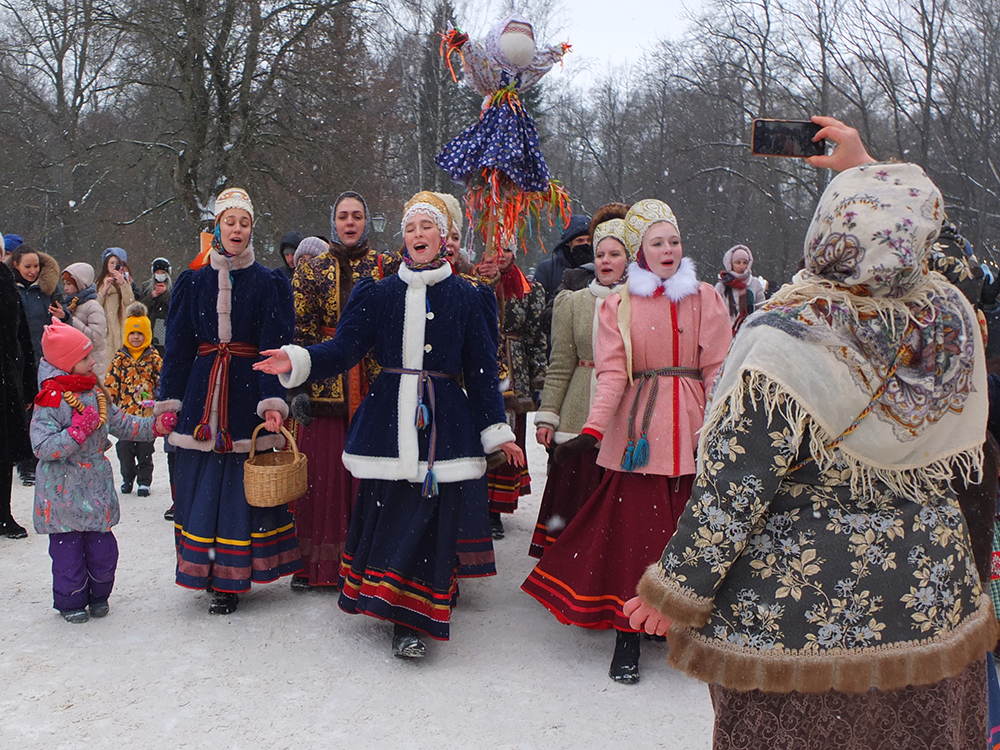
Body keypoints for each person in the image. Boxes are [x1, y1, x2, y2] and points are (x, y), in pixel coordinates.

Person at [627, 139, 995, 748]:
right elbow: (947, 249)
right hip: (930, 596)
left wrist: (679, 586)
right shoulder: (948, 318)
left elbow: (736, 484)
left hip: (798, 611)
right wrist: (869, 164)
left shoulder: (787, 336)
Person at [255, 190, 524, 658]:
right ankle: (392, 604)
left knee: (430, 516)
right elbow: (344, 348)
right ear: (403, 237)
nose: (418, 235)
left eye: (428, 227)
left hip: (443, 423)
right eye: (412, 227)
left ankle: (414, 619)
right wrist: (297, 360)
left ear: (444, 237)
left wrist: (497, 432)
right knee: (389, 510)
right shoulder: (378, 293)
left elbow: (481, 374)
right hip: (388, 419)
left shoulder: (470, 296)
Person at [521, 198, 732, 684]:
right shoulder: (620, 304)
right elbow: (612, 375)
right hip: (638, 432)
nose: (668, 249)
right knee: (634, 539)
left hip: (690, 429)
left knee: (685, 533)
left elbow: (719, 365)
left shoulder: (704, 297)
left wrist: (716, 421)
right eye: (657, 242)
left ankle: (682, 624)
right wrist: (591, 430)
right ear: (640, 251)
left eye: (674, 241)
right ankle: (627, 633)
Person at [156, 187, 301, 615]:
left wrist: (273, 402)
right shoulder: (193, 281)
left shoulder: (269, 283)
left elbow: (276, 345)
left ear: (252, 228)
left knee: (240, 487)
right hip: (202, 396)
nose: (236, 229)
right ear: (216, 226)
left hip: (244, 392)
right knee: (202, 485)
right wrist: (170, 402)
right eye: (229, 221)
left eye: (244, 222)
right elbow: (179, 347)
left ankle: (231, 582)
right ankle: (203, 570)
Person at [286, 191, 397, 592]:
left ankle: (368, 558)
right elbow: (300, 331)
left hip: (375, 379)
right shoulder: (311, 270)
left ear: (367, 221)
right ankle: (318, 564)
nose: (350, 223)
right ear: (333, 222)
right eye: (343, 217)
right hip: (325, 380)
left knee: (372, 473)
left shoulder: (388, 267)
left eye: (357, 216)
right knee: (324, 473)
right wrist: (298, 386)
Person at [31, 318, 174, 623]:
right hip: (63, 491)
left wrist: (154, 426)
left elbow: (122, 422)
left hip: (94, 486)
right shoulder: (51, 398)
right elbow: (42, 447)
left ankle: (99, 595)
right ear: (67, 363)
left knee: (103, 551)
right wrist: (75, 433)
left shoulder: (96, 392)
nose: (92, 361)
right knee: (68, 555)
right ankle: (71, 601)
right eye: (84, 357)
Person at [530, 203, 630, 558]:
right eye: (599, 253)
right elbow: (560, 364)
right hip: (576, 415)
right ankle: (563, 562)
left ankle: (601, 564)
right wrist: (548, 414)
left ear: (630, 257)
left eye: (614, 253)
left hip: (623, 414)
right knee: (575, 491)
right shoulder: (572, 302)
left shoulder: (642, 303)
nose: (604, 260)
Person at [477, 240, 547, 539]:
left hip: (514, 369)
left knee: (507, 438)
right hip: (483, 362)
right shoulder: (475, 280)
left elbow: (535, 338)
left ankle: (495, 510)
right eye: (494, 249)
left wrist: (538, 382)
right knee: (481, 435)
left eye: (506, 249)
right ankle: (476, 503)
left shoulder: (530, 289)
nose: (500, 255)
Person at [10, 245, 60, 487]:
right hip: (17, 357)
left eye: (36, 266)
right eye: (27, 266)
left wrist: (64, 316)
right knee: (22, 410)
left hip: (44, 357)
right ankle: (24, 463)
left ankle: (37, 459)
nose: (32, 271)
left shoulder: (48, 290)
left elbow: (63, 321)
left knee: (42, 410)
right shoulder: (9, 289)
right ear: (16, 265)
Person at [105, 302, 162, 497]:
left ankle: (144, 481)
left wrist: (161, 399)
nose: (136, 337)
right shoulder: (120, 357)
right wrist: (108, 401)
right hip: (125, 415)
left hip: (147, 415)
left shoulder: (153, 357)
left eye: (139, 334)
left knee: (146, 450)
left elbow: (160, 380)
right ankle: (127, 477)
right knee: (125, 451)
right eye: (132, 334)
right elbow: (112, 382)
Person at [0, 255, 36, 539]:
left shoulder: (7, 284)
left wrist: (27, 384)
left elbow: (21, 336)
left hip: (5, 376)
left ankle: (3, 514)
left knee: (3, 452)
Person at [53, 263, 109, 380]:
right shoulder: (69, 304)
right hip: (76, 367)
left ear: (81, 284)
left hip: (92, 367)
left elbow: (96, 338)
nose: (66, 288)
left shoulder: (93, 306)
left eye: (69, 284)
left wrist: (70, 320)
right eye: (64, 284)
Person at [533, 214, 593, 303]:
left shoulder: (598, 267)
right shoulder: (547, 269)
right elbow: (538, 305)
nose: (585, 244)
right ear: (569, 243)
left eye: (589, 240)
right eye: (580, 240)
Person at [96, 247, 136, 374]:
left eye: (116, 263)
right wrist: (104, 289)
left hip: (123, 329)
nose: (113, 266)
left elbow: (130, 302)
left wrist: (123, 284)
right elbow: (96, 307)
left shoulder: (125, 281)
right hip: (108, 332)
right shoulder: (100, 282)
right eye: (111, 263)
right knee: (109, 369)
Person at [714, 244, 766, 332]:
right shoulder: (722, 286)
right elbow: (714, 310)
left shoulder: (754, 284)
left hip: (749, 331)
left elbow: (762, 309)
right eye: (738, 262)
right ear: (731, 264)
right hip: (725, 331)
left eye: (745, 263)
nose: (742, 266)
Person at [138, 257, 173, 356]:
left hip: (166, 329)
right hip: (149, 327)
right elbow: (140, 306)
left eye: (163, 272)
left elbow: (175, 305)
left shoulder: (174, 287)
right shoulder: (146, 287)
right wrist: (152, 296)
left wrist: (165, 294)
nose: (160, 275)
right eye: (158, 272)